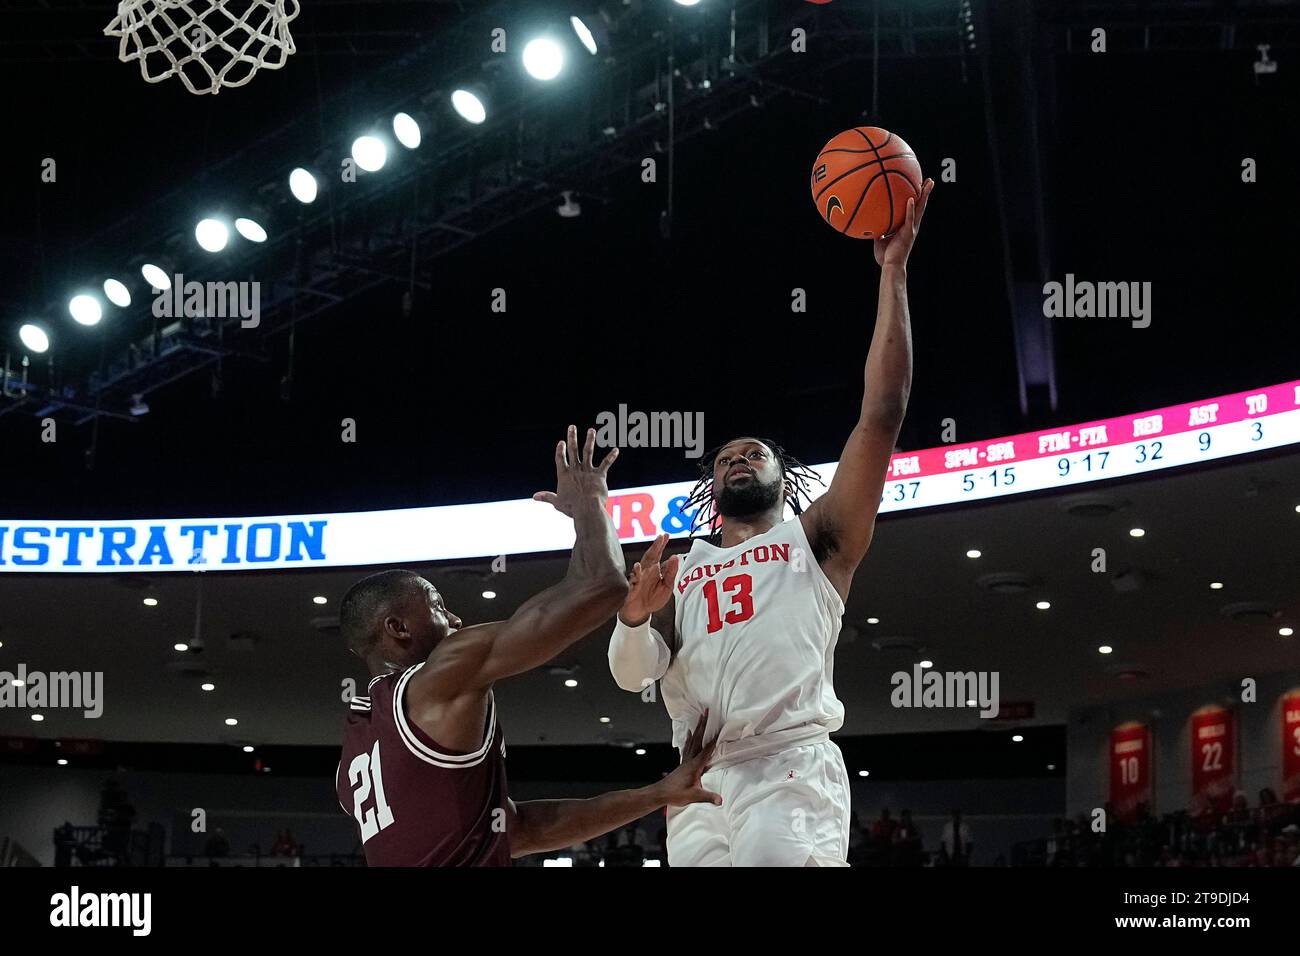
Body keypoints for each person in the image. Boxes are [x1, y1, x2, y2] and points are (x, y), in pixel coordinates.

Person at [608, 181, 935, 866]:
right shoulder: (683, 567)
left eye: (753, 453)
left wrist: (894, 272)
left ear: (784, 480)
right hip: (694, 781)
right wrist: (632, 621)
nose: (738, 459)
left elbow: (882, 412)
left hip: (787, 764)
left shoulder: (814, 542)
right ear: (712, 487)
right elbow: (633, 675)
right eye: (726, 457)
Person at [335, 426, 721, 866]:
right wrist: (590, 502)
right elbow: (601, 587)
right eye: (439, 607)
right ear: (398, 628)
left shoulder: (358, 746)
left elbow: (519, 831)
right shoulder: (438, 678)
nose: (456, 619)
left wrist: (657, 794)